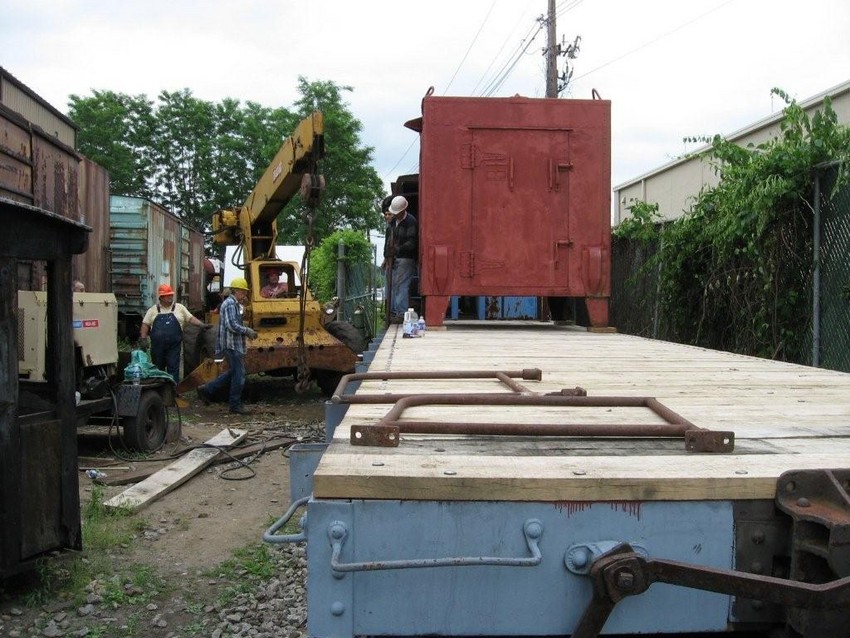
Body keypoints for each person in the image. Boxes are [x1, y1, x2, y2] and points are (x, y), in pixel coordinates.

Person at [196, 277, 258, 415]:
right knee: (239, 375)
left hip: (233, 344)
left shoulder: (234, 304)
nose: (245, 294)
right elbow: (231, 325)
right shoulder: (230, 304)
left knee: (233, 372)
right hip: (231, 345)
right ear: (236, 291)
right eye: (243, 291)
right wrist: (246, 330)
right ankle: (235, 405)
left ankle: (207, 389)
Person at [138, 284, 210, 382]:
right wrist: (143, 338)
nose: (170, 297)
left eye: (171, 295)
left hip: (173, 347)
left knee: (173, 368)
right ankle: (160, 392)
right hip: (157, 347)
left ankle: (173, 391)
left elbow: (191, 318)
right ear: (161, 297)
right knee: (158, 369)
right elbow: (145, 324)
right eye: (168, 295)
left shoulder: (180, 308)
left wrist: (202, 325)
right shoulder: (153, 310)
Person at [385, 195, 418, 320]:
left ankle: (401, 313)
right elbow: (388, 240)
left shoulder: (410, 222)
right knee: (393, 285)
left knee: (401, 285)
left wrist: (397, 250)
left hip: (406, 258)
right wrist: (387, 256)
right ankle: (394, 311)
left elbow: (411, 243)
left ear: (403, 210)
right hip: (394, 258)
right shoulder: (393, 222)